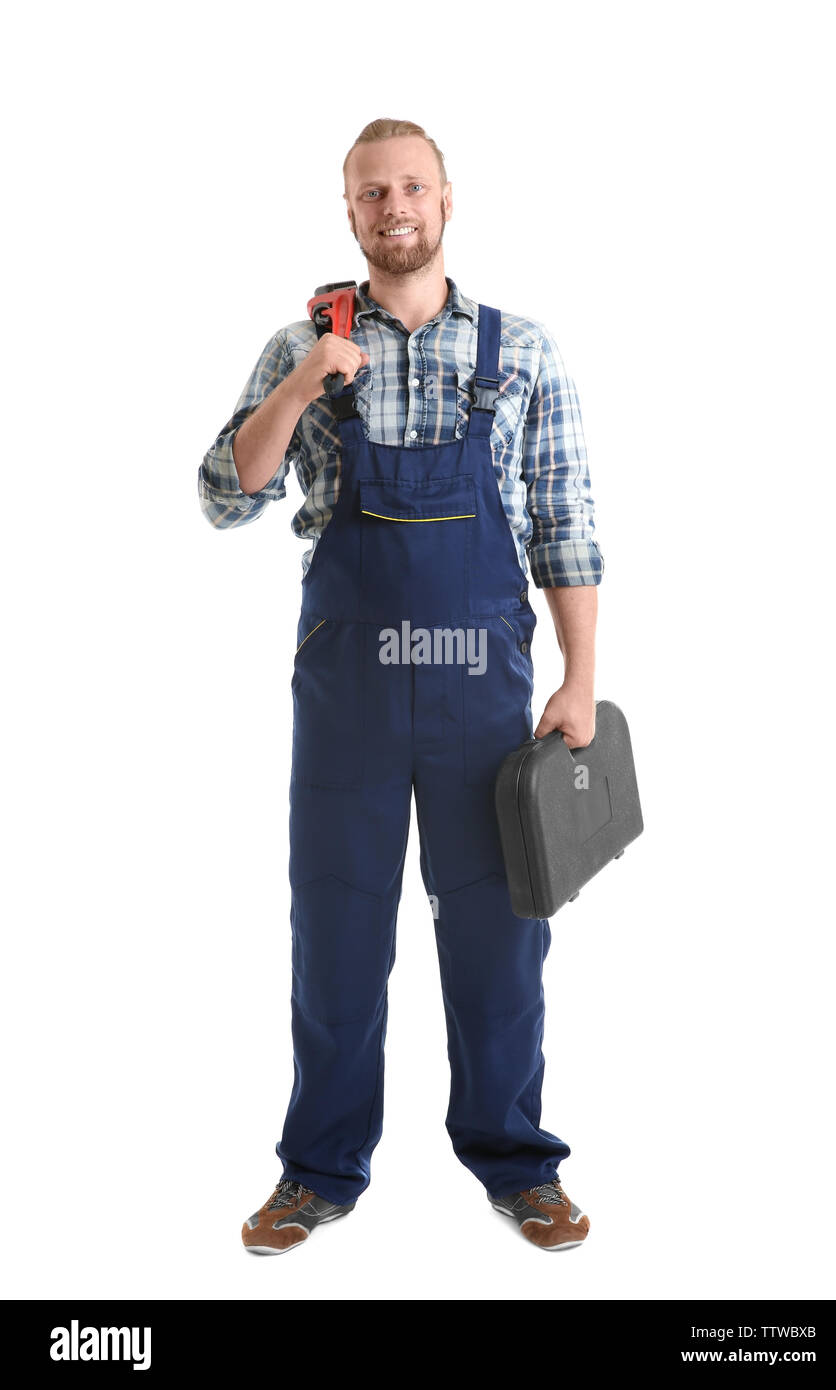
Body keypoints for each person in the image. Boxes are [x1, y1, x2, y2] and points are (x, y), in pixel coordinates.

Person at [198, 118, 604, 1254]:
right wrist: (297, 386)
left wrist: (579, 680)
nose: (393, 206)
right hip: (350, 698)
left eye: (410, 186)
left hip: (485, 695)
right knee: (334, 934)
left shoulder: (519, 351)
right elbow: (225, 496)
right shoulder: (302, 343)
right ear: (349, 212)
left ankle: (516, 1162)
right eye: (370, 191)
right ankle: (318, 1170)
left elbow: (564, 521)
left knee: (500, 936)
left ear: (445, 200)